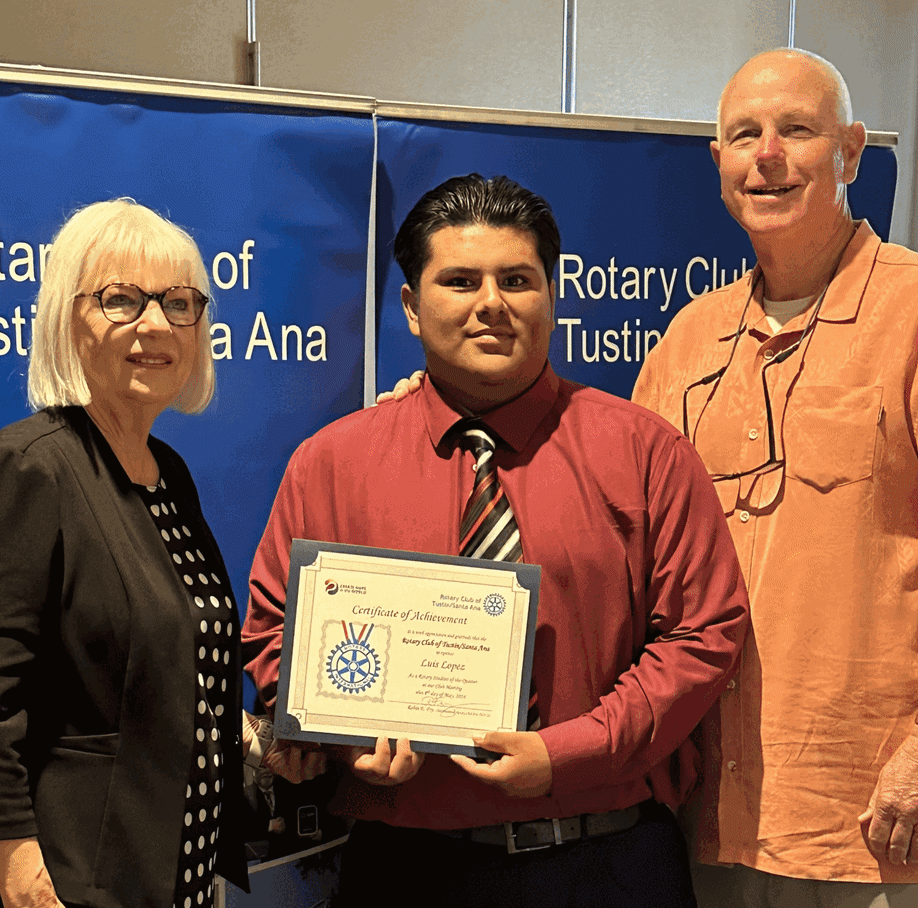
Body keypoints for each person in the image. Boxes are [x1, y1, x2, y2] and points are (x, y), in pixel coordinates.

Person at [241, 174, 750, 907]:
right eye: (460, 281)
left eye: (517, 280)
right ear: (411, 306)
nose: (491, 303)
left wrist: (568, 752)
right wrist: (348, 738)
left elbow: (703, 634)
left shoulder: (645, 452)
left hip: (609, 862)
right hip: (407, 869)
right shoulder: (330, 465)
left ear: (552, 296)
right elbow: (274, 633)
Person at [628, 50, 918, 906]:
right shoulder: (688, 342)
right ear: (718, 162)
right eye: (744, 135)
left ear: (851, 152)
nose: (767, 156)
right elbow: (617, 529)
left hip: (879, 818)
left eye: (797, 130)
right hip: (712, 812)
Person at [0, 198, 322, 908]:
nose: (156, 325)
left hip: (176, 876)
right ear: (67, 319)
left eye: (178, 303)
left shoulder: (168, 474)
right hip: (69, 884)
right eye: (121, 300)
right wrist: (24, 884)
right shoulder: (28, 469)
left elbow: (171, 671)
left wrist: (264, 742)